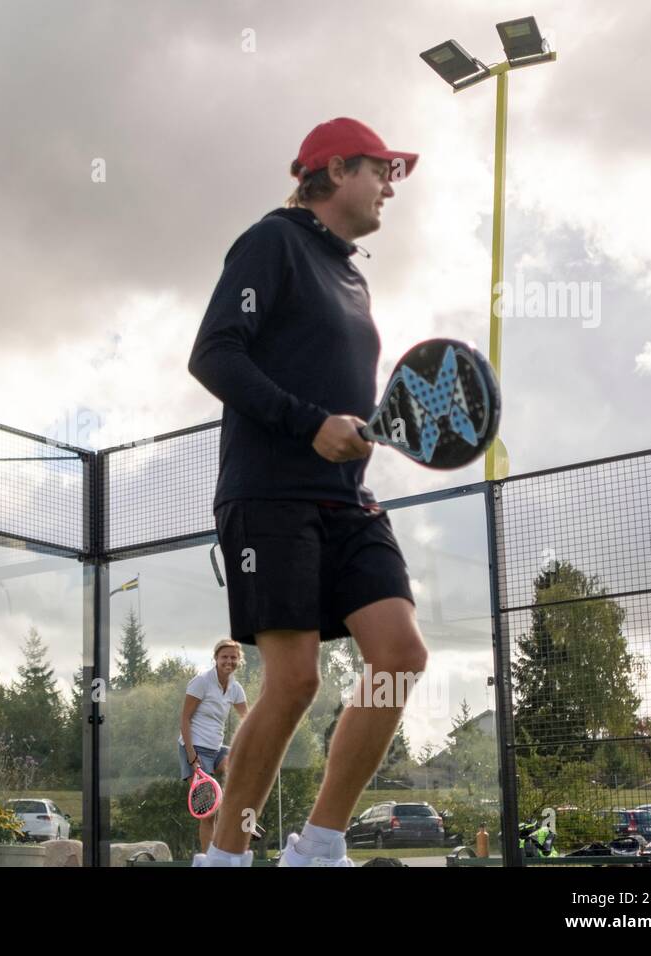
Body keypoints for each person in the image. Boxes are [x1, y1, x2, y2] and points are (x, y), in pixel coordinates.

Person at [186, 117, 427, 867]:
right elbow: (213, 353)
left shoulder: (352, 273)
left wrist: (352, 430)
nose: (392, 183)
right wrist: (307, 422)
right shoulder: (273, 241)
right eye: (381, 168)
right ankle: (224, 857)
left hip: (346, 499)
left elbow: (336, 387)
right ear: (333, 168)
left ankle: (317, 845)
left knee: (399, 655)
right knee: (292, 682)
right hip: (270, 495)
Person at [178, 639, 249, 855]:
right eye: (224, 657)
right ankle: (211, 861)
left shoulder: (236, 688)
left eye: (233, 657)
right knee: (208, 814)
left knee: (242, 772)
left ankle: (237, 813)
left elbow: (248, 721)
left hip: (216, 749)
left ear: (239, 660)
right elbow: (184, 719)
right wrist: (192, 757)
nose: (229, 661)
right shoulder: (201, 682)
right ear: (216, 658)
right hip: (194, 748)